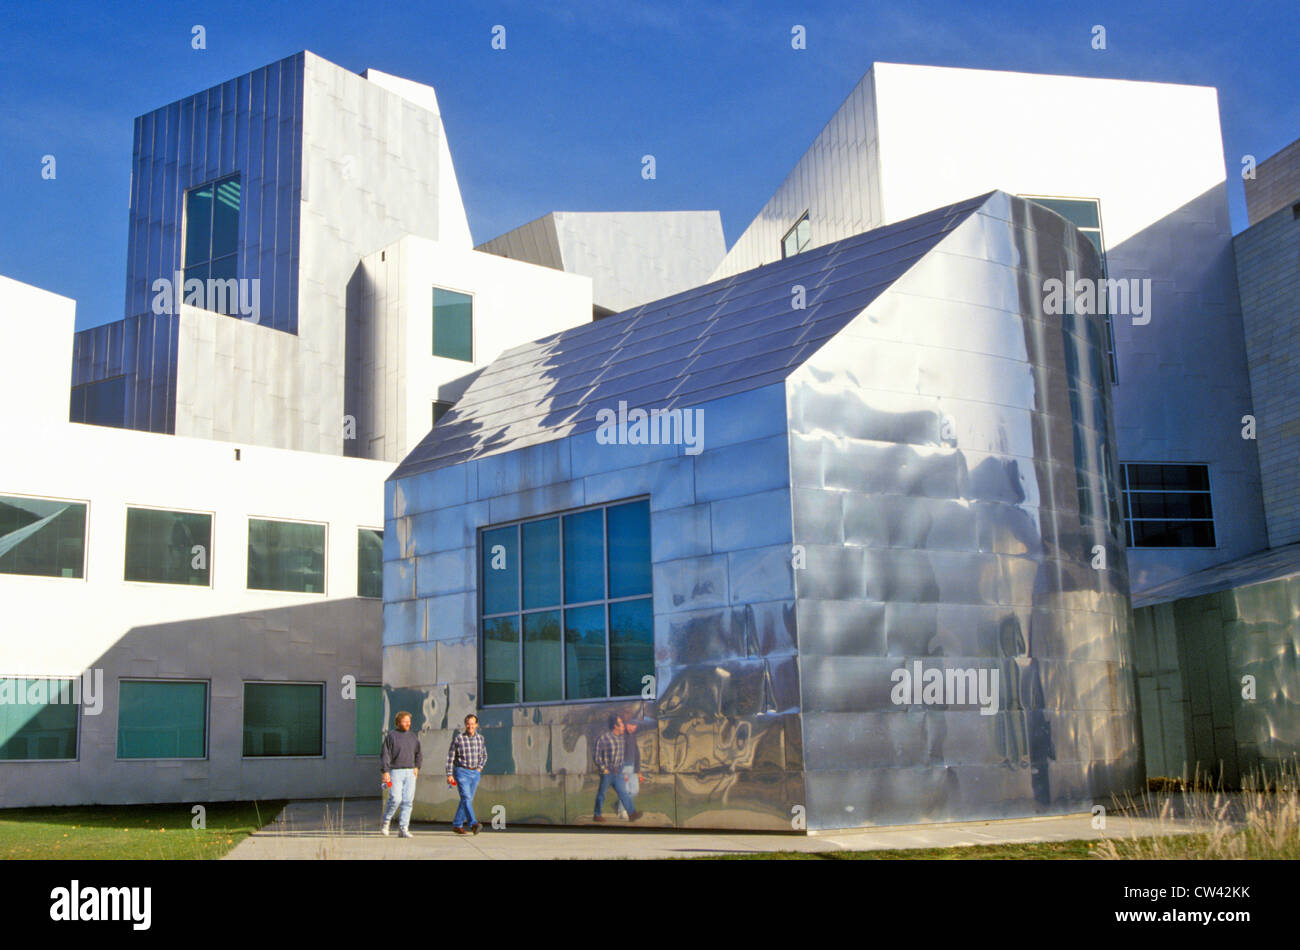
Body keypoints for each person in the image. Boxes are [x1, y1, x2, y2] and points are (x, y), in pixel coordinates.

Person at [380, 711, 422, 838]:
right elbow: (385, 755)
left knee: (408, 801)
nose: (408, 723)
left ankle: (403, 829)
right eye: (405, 721)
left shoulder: (413, 737)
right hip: (395, 772)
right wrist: (385, 771)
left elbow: (418, 753)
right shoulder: (391, 736)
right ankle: (386, 821)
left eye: (409, 721)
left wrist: (417, 767)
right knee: (395, 799)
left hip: (410, 772)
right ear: (398, 722)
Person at [593, 714, 641, 822]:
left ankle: (632, 813)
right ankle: (597, 814)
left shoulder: (621, 739)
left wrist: (621, 769)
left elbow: (623, 755)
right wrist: (603, 769)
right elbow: (596, 756)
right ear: (615, 726)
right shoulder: (604, 738)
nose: (624, 725)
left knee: (623, 792)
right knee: (602, 794)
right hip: (607, 772)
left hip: (618, 772)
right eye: (621, 724)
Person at [445, 713, 487, 834]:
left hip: (475, 772)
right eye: (468, 724)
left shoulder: (481, 739)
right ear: (465, 725)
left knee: (466, 799)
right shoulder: (458, 739)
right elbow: (450, 758)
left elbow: (484, 755)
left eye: (472, 724)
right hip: (461, 771)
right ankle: (473, 823)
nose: (470, 726)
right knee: (466, 797)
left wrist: (479, 768)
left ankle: (457, 824)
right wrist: (449, 774)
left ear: (476, 725)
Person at [617, 719, 646, 819]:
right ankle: (623, 812)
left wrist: (638, 771)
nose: (632, 728)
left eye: (634, 726)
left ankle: (623, 808)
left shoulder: (633, 736)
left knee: (635, 790)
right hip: (623, 767)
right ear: (626, 724)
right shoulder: (620, 736)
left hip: (632, 767)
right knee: (626, 790)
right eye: (630, 725)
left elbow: (637, 754)